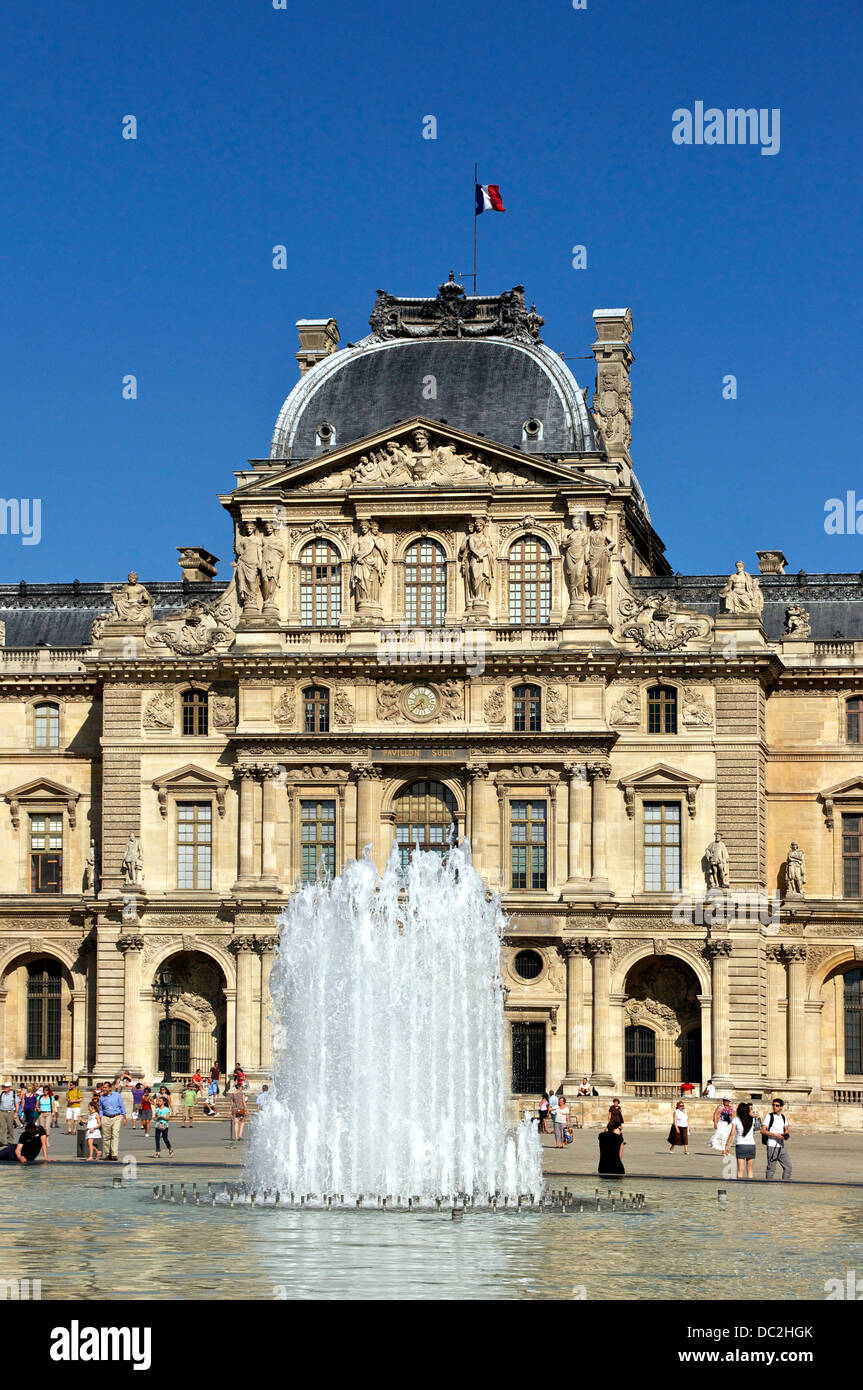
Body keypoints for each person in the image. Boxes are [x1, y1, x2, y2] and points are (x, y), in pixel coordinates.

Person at [724, 1101, 757, 1180]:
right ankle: (750, 1186)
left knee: (740, 1169)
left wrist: (727, 1146)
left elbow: (732, 1134)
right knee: (750, 1170)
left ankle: (740, 1185)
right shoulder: (752, 1120)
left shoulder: (736, 1120)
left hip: (741, 1144)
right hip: (751, 1144)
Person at [762, 1098, 792, 1181]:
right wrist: (775, 1135)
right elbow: (763, 1130)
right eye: (773, 1105)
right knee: (771, 1168)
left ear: (781, 1107)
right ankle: (768, 1185)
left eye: (777, 1105)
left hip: (781, 1146)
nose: (774, 1107)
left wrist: (785, 1136)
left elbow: (786, 1130)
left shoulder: (783, 1117)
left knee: (788, 1167)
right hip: (772, 1145)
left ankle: (785, 1184)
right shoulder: (769, 1116)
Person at [98, 1081, 127, 1161]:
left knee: (115, 1135)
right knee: (106, 1137)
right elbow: (100, 1109)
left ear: (110, 1088)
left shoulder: (117, 1095)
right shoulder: (102, 1097)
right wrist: (100, 1119)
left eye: (105, 1087)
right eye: (103, 1087)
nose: (104, 1089)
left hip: (116, 1117)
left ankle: (114, 1154)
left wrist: (124, 1117)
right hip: (106, 1117)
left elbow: (122, 1106)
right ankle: (108, 1154)